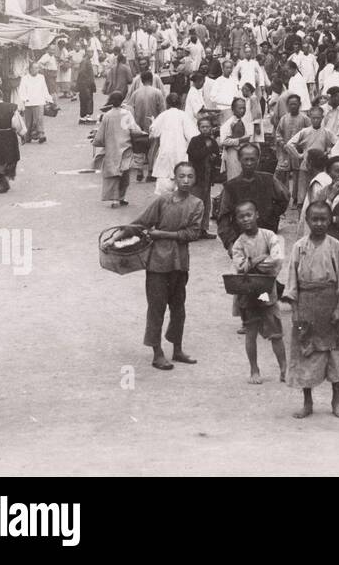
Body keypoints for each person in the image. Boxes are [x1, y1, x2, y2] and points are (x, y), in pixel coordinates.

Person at [132, 163, 204, 371]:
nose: (186, 180)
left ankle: (178, 349)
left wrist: (161, 234)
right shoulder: (162, 201)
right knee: (156, 308)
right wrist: (121, 234)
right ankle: (157, 353)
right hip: (157, 263)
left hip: (180, 263)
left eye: (190, 176)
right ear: (174, 178)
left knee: (178, 307)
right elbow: (141, 222)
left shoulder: (197, 204)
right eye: (181, 176)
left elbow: (192, 234)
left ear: (195, 179)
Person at [284, 200, 339, 419]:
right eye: (315, 219)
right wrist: (295, 312)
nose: (320, 223)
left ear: (330, 220)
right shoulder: (299, 247)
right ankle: (307, 401)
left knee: (335, 356)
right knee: (307, 355)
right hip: (307, 307)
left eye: (324, 219)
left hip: (330, 306)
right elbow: (292, 283)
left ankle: (336, 400)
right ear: (307, 220)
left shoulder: (335, 246)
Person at [229, 201, 287, 384]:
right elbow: (239, 267)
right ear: (237, 220)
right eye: (241, 216)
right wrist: (258, 259)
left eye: (249, 214)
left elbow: (276, 259)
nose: (246, 219)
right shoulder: (238, 244)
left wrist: (252, 263)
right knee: (251, 332)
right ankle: (254, 370)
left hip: (267, 292)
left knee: (276, 333)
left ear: (257, 215)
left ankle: (284, 368)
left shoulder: (269, 235)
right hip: (247, 293)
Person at [218, 143, 290, 247]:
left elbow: (284, 198)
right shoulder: (231, 186)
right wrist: (229, 242)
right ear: (239, 159)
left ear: (258, 159)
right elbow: (223, 217)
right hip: (240, 238)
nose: (249, 163)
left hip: (266, 236)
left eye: (252, 159)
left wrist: (272, 215)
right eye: (246, 159)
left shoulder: (268, 180)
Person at [94, 91, 144, 208]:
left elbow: (100, 135)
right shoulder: (126, 114)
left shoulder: (107, 116)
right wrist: (142, 132)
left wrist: (97, 142)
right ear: (122, 101)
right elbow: (134, 129)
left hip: (112, 148)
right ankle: (122, 197)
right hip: (125, 147)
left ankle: (115, 199)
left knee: (113, 175)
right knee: (125, 173)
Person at [17, 62, 52, 145]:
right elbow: (22, 90)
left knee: (39, 119)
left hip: (39, 101)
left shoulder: (41, 77)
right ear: (30, 69)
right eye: (35, 68)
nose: (37, 70)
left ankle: (41, 135)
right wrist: (24, 99)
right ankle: (27, 136)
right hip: (29, 102)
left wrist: (48, 98)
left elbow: (44, 88)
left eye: (38, 68)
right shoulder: (25, 78)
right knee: (28, 121)